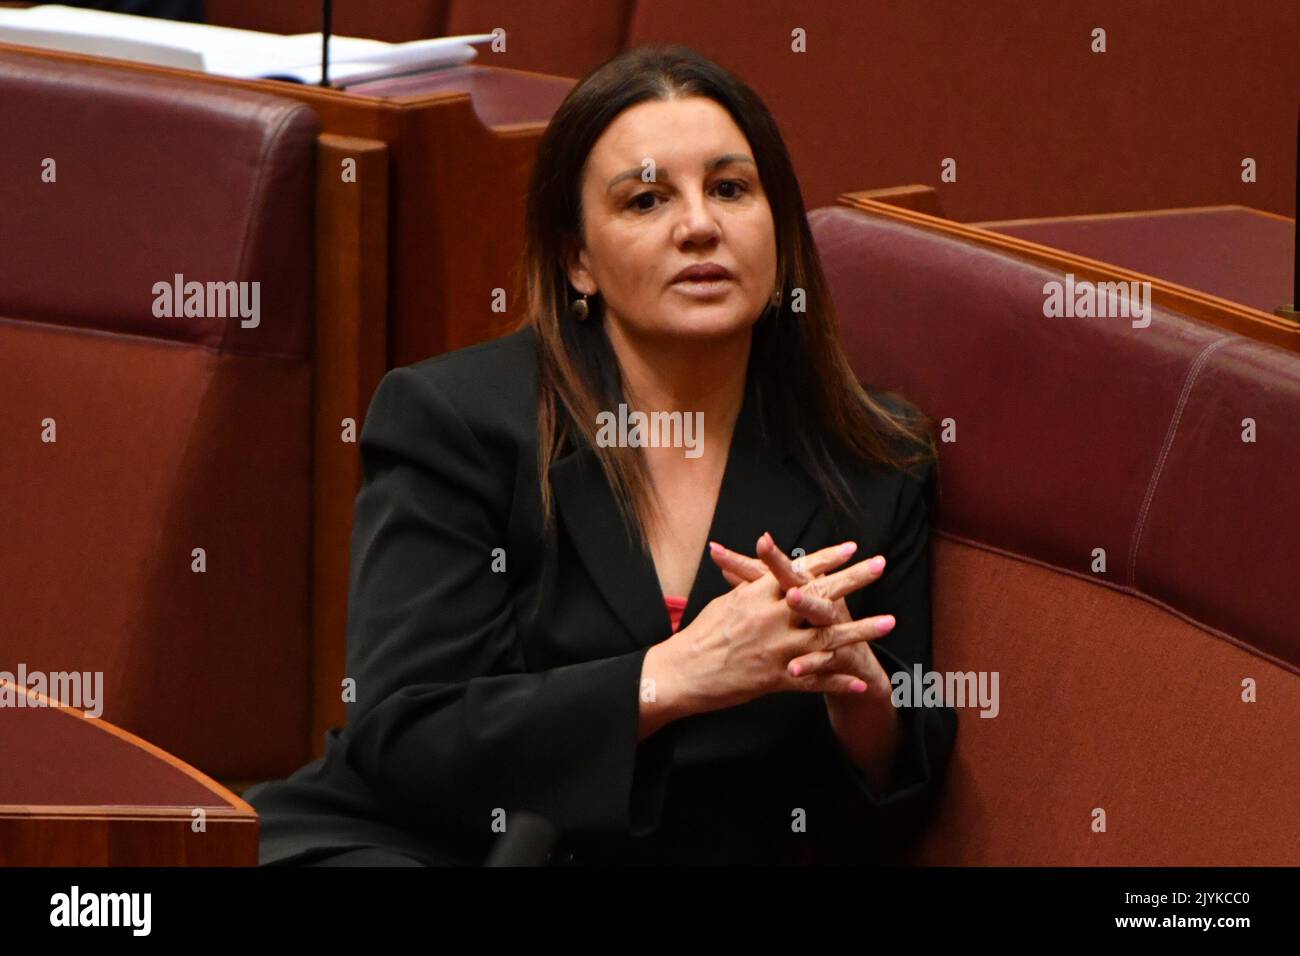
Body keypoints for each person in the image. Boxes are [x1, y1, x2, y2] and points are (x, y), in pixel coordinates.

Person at [245, 43, 958, 866]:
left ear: (781, 233)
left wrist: (855, 689)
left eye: (730, 189)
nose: (700, 226)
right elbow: (406, 737)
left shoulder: (875, 457)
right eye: (647, 199)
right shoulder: (457, 421)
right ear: (577, 259)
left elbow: (888, 805)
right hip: (426, 846)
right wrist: (666, 679)